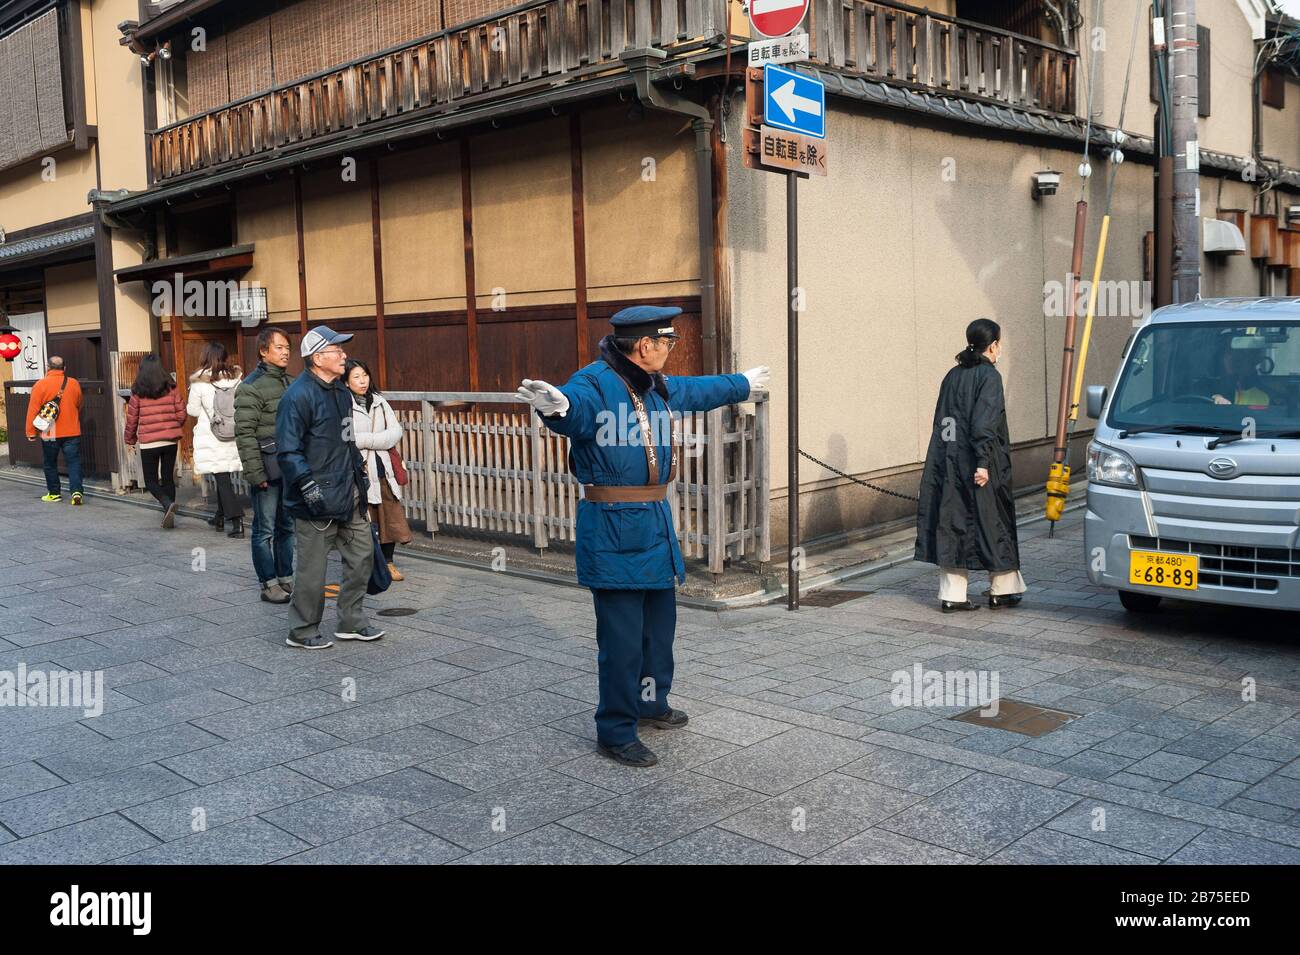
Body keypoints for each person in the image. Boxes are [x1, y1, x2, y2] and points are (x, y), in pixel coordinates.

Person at [516, 306, 769, 768]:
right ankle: (615, 729)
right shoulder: (595, 381)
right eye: (668, 343)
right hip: (612, 523)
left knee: (659, 630)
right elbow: (576, 409)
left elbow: (696, 389)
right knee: (622, 640)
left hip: (653, 518)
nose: (672, 351)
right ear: (646, 345)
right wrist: (560, 409)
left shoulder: (654, 383)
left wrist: (741, 384)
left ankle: (652, 702)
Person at [277, 326, 383, 650]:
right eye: (337, 351)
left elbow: (348, 438)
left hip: (348, 491)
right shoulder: (296, 396)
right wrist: (308, 486)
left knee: (362, 556)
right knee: (312, 571)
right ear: (318, 357)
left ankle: (351, 620)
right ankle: (303, 629)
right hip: (315, 498)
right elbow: (287, 450)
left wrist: (360, 475)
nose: (344, 356)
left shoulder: (341, 392)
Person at [915, 318, 1026, 613]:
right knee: (994, 520)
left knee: (953, 522)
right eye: (999, 343)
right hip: (983, 462)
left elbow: (944, 421)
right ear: (993, 345)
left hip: (950, 461)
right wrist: (982, 463)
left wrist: (947, 457)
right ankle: (1002, 589)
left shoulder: (952, 375)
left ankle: (953, 595)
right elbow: (983, 423)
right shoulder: (989, 376)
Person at [235, 327, 296, 603]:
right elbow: (245, 433)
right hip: (266, 467)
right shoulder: (251, 385)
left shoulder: (291, 382)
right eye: (279, 347)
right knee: (264, 529)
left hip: (290, 465)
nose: (285, 352)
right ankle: (268, 583)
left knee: (288, 526)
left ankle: (286, 577)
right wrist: (255, 472)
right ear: (263, 351)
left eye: (287, 348)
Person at [345, 358, 413, 582]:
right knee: (366, 519)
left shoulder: (379, 401)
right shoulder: (342, 403)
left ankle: (389, 563)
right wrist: (376, 440)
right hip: (361, 470)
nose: (362, 381)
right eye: (356, 376)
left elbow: (395, 433)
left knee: (389, 517)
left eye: (365, 375)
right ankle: (366, 566)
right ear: (345, 381)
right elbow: (347, 439)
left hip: (383, 468)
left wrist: (367, 440)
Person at [187, 343, 245, 538]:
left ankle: (237, 522)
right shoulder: (236, 379)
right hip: (232, 431)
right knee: (223, 475)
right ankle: (219, 516)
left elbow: (193, 410)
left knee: (222, 478)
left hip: (212, 434)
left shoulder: (199, 382)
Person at [123, 355, 186, 528]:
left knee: (150, 480)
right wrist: (173, 427)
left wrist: (130, 439)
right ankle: (169, 514)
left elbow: (132, 419)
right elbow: (181, 413)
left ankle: (167, 505)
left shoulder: (138, 391)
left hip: (149, 442)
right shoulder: (171, 387)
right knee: (168, 479)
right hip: (170, 441)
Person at [25, 356, 84, 505]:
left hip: (50, 431)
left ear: (47, 368)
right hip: (72, 430)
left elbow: (33, 410)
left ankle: (54, 493)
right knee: (74, 462)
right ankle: (76, 491)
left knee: (50, 463)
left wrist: (31, 431)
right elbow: (79, 404)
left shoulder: (40, 385)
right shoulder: (73, 383)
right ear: (64, 369)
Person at [1211, 336, 1271, 407]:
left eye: (1241, 355)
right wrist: (1217, 397)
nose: (1232, 359)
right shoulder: (1207, 384)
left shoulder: (1262, 395)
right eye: (1228, 352)